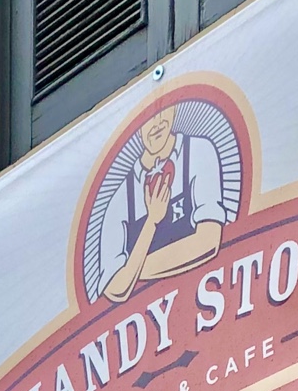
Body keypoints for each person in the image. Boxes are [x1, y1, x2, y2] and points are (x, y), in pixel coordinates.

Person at [99, 103, 231, 302]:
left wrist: (133, 271)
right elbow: (115, 288)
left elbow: (208, 241)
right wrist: (151, 222)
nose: (157, 123)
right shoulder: (121, 200)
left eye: (162, 111)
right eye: (147, 119)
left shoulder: (198, 151)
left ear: (174, 110)